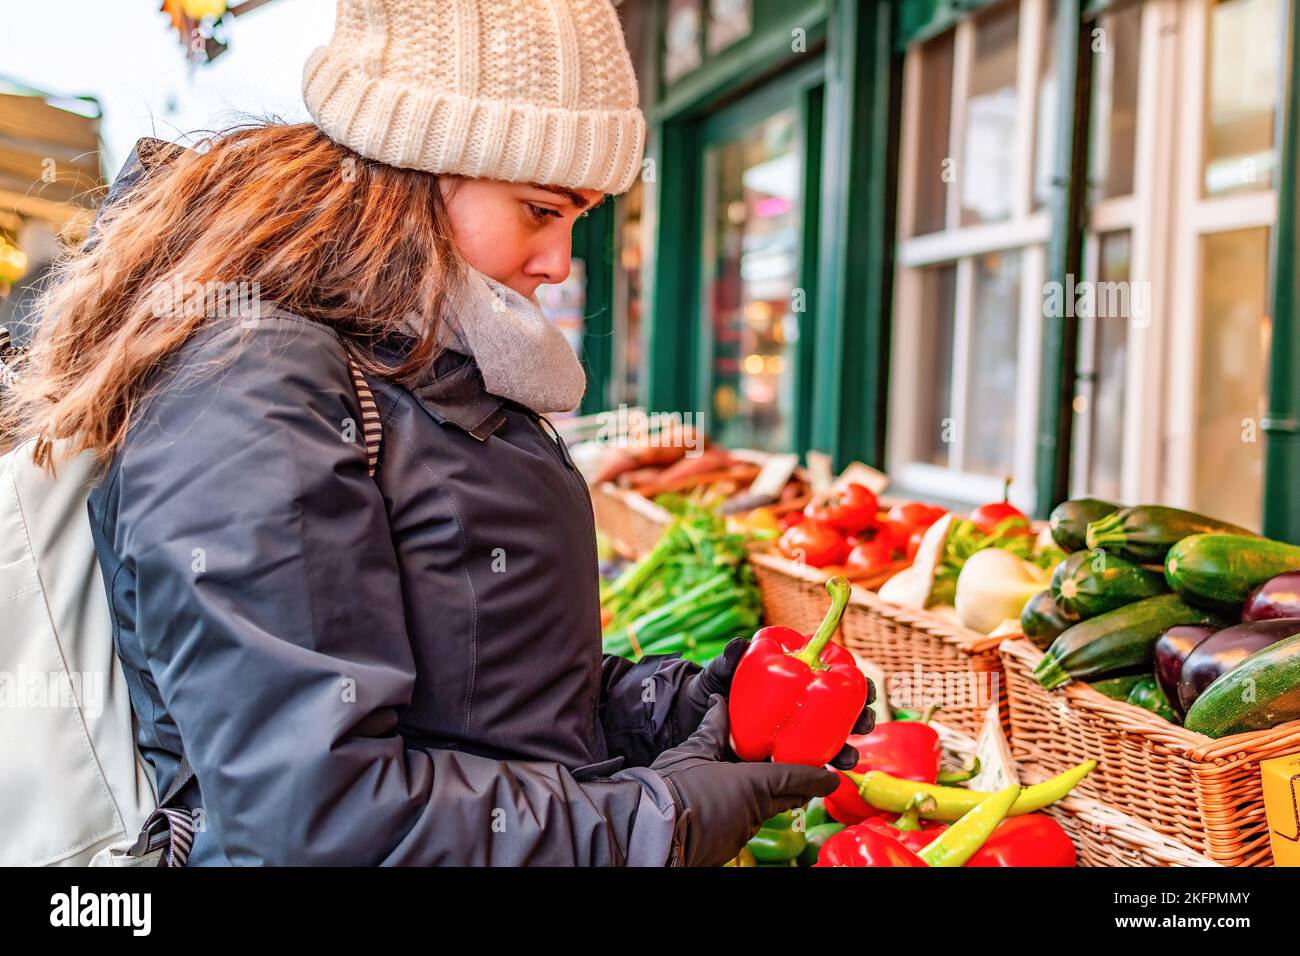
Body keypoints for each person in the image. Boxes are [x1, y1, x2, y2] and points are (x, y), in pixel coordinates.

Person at [1, 0, 872, 866]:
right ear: (420, 169)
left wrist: (662, 710)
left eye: (579, 219)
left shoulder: (409, 360)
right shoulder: (251, 382)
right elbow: (312, 823)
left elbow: (475, 693)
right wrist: (654, 824)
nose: (561, 263)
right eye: (541, 210)